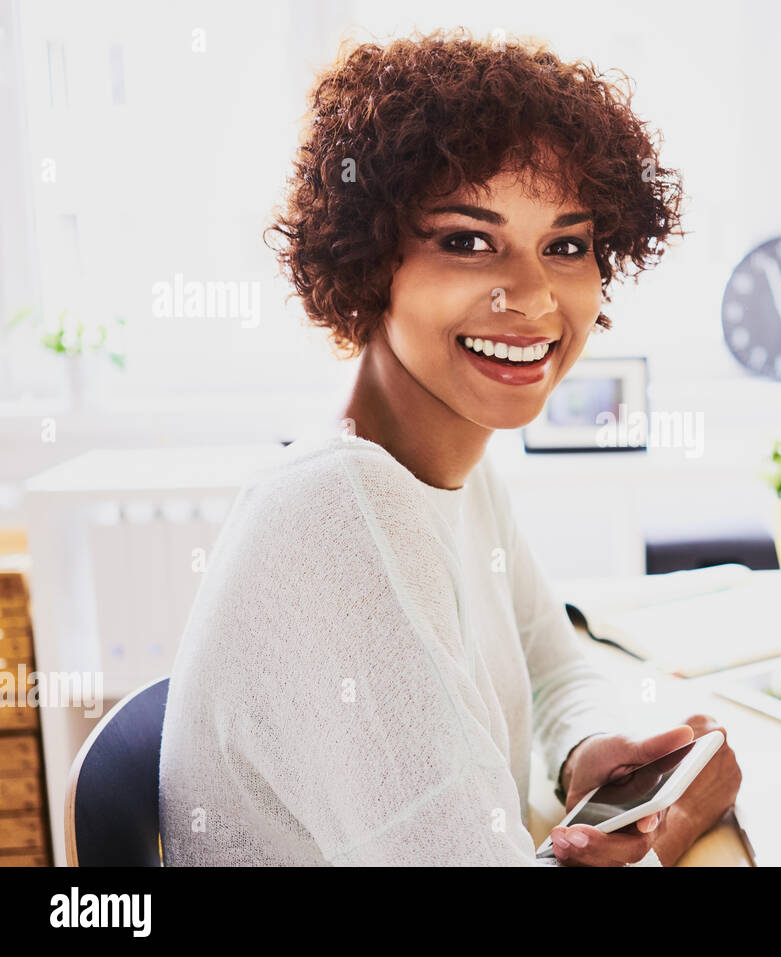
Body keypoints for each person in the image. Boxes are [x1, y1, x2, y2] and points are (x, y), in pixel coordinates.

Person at [158, 28, 741, 866]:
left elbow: (552, 669)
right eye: (468, 240)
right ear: (368, 258)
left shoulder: (453, 467)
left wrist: (587, 754)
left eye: (566, 245)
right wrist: (673, 830)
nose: (534, 296)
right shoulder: (339, 513)